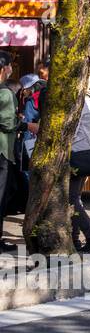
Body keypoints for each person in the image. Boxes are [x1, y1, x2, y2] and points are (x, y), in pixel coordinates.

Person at [68, 87, 90, 252]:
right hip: (88, 154)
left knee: (71, 198)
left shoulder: (80, 103)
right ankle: (75, 239)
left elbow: (72, 132)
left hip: (77, 154)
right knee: (74, 198)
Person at [0, 52, 17, 232]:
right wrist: (26, 125)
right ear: (4, 69)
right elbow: (8, 123)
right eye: (10, 65)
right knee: (1, 195)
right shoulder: (5, 92)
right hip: (3, 150)